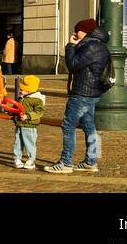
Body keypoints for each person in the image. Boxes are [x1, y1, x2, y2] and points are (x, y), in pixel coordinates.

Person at [45, 18, 111, 175]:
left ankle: (66, 162)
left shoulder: (91, 47)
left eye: (77, 30)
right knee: (90, 127)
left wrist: (70, 46)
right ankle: (91, 161)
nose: (75, 33)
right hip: (91, 93)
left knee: (68, 125)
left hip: (83, 93)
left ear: (86, 31)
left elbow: (73, 64)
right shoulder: (97, 45)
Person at [12, 75, 46, 170]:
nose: (20, 91)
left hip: (30, 125)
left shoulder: (37, 100)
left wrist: (28, 116)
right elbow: (15, 108)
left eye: (23, 89)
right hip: (19, 124)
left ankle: (31, 159)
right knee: (18, 142)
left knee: (30, 143)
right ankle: (17, 158)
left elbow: (39, 112)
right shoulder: (21, 98)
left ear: (30, 90)